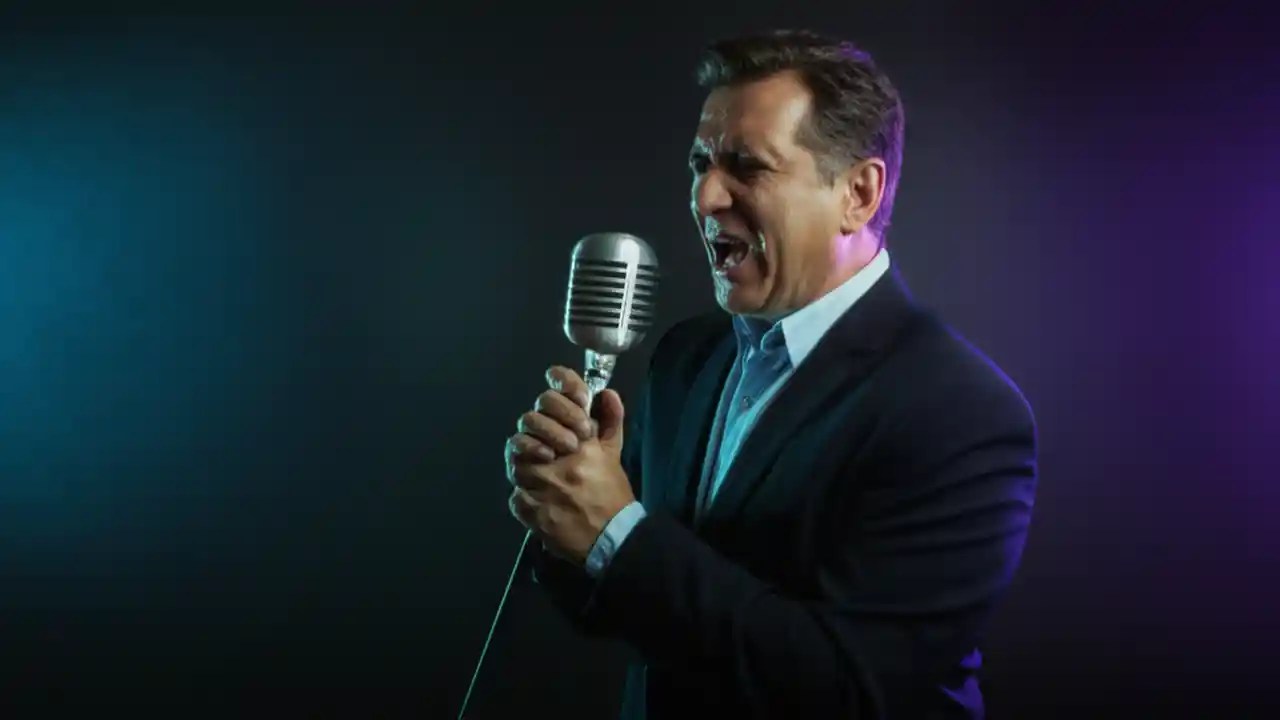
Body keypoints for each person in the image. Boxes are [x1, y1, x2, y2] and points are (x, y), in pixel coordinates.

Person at [503, 29, 1037, 719]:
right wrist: (564, 517)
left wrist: (616, 533)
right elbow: (629, 606)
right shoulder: (687, 357)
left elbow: (853, 686)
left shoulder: (961, 412)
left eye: (746, 167)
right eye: (700, 163)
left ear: (858, 192)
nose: (704, 198)